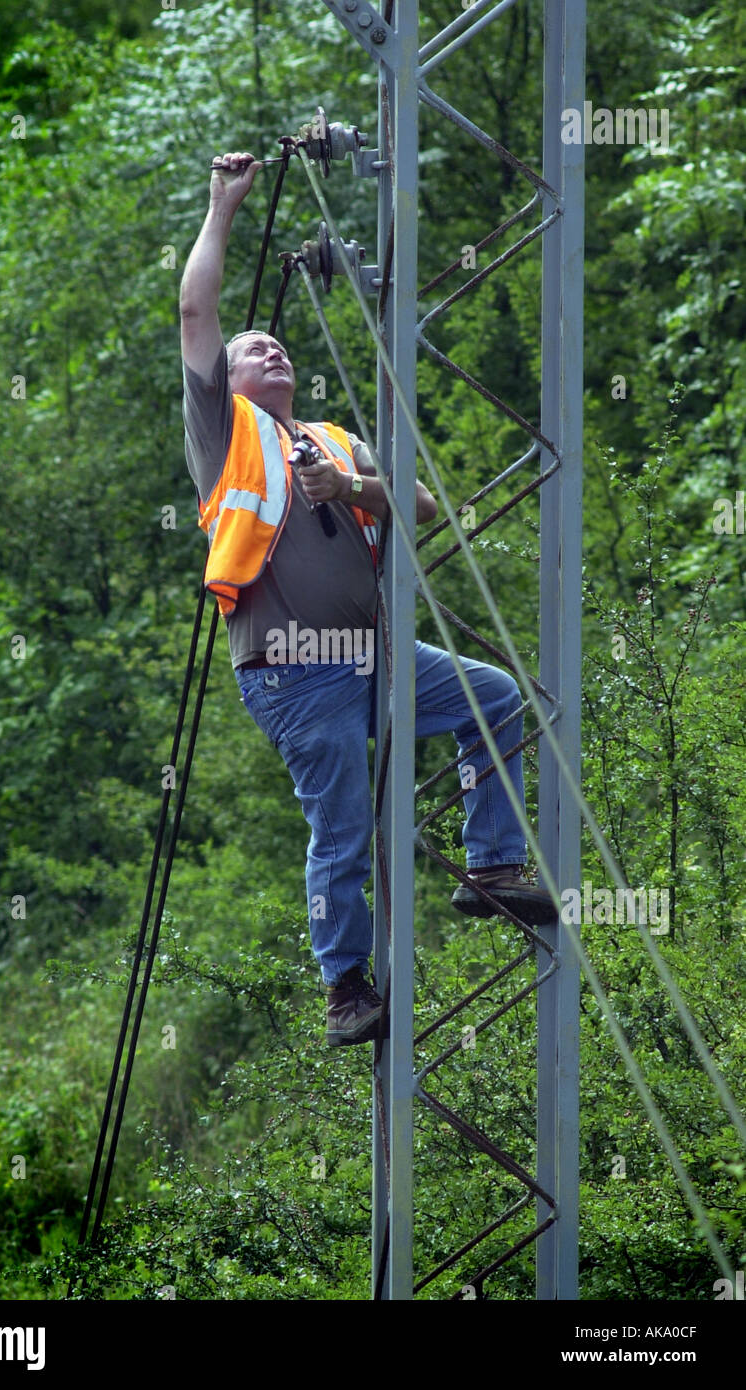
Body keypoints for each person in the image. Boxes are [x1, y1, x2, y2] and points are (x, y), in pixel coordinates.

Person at [180, 151, 555, 1047]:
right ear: (226, 382)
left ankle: (492, 867)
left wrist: (348, 488)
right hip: (295, 675)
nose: (272, 348)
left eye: (280, 346)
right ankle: (345, 985)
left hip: (373, 658)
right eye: (253, 348)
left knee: (498, 699)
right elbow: (197, 308)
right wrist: (222, 207)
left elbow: (421, 509)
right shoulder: (223, 436)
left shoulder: (333, 440)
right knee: (342, 829)